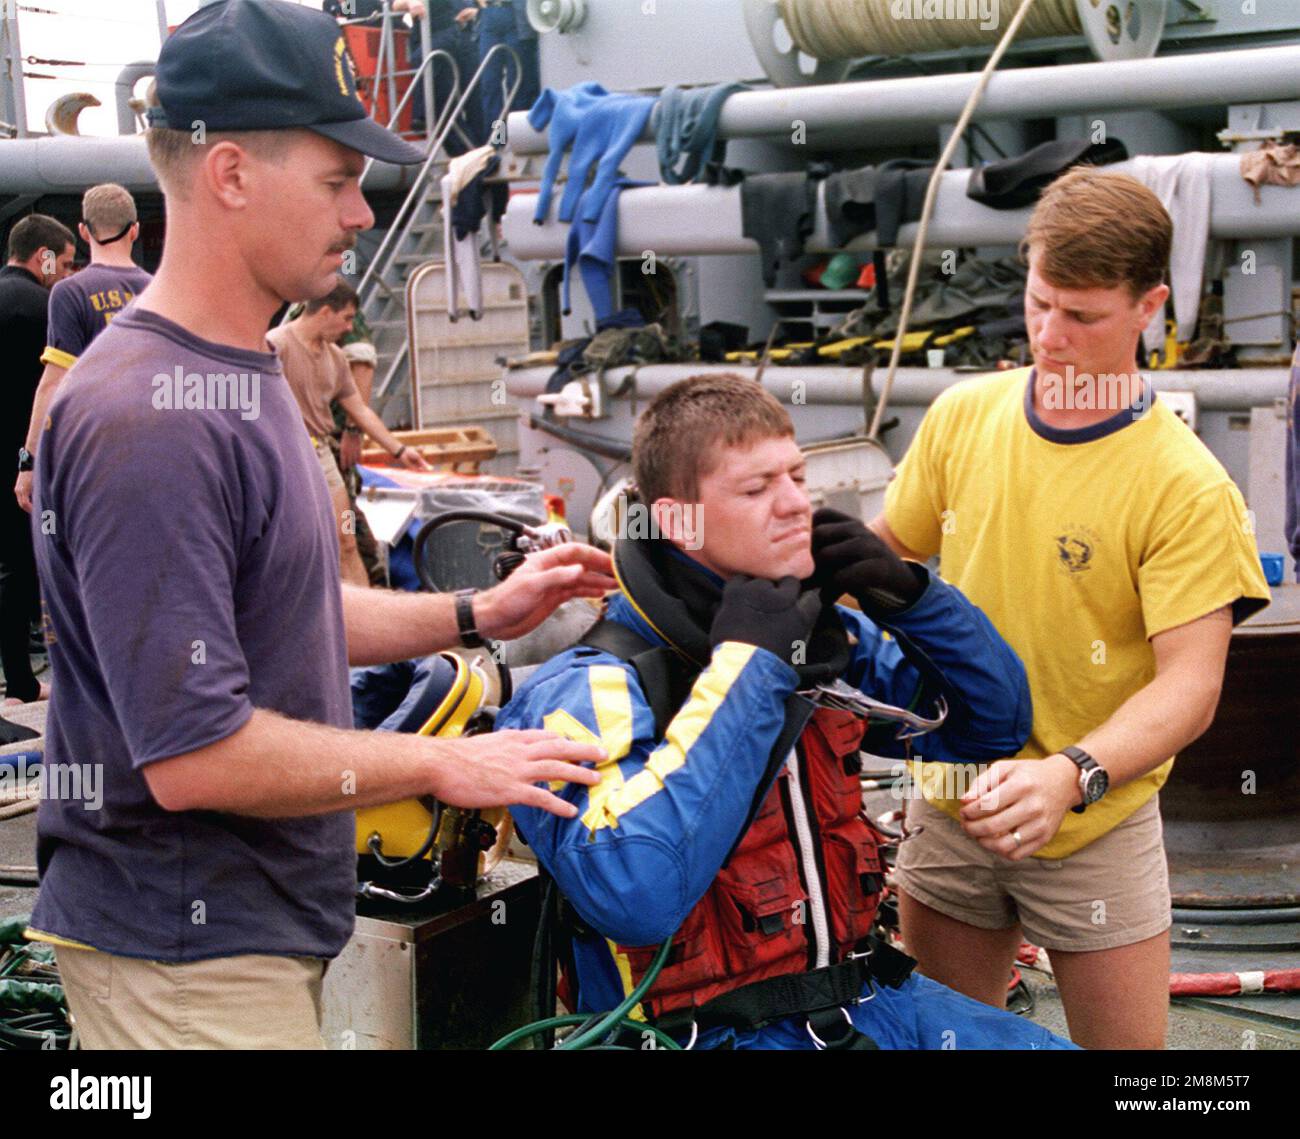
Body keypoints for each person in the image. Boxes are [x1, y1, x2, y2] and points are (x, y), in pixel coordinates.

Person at [27, 0, 614, 1051]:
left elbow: (282, 610)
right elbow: (196, 756)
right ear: (231, 174)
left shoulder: (235, 365)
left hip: (245, 936)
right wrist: (434, 764)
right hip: (187, 961)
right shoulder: (150, 417)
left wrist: (477, 611)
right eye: (337, 180)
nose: (360, 212)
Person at [497, 373, 1073, 1050]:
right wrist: (749, 668)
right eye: (757, 489)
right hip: (703, 1036)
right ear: (677, 520)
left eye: (797, 476)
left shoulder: (815, 641)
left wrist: (910, 596)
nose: (797, 503)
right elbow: (636, 893)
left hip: (866, 1004)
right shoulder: (582, 690)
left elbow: (993, 725)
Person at [871, 168, 1271, 1050]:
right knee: (942, 1042)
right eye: (1039, 302)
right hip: (951, 803)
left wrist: (1071, 773)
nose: (1050, 336)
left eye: (1082, 315)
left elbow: (1191, 686)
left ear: (1149, 306)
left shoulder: (1185, 486)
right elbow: (882, 556)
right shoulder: (962, 418)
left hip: (1097, 820)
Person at [268, 280, 428, 588]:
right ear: (326, 312)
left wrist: (399, 450)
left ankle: (365, 611)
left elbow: (360, 410)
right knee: (296, 545)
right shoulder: (277, 345)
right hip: (286, 456)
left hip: (321, 456)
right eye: (347, 318)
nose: (350, 327)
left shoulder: (335, 357)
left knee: (347, 539)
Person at [14, 183, 152, 515]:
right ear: (134, 231)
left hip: (91, 458)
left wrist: (28, 460)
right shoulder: (158, 290)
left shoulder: (69, 293)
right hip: (152, 452)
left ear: (83, 231)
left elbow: (53, 382)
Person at [1, 214, 75, 706]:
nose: (65, 275)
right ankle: (23, 682)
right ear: (42, 257)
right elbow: (53, 386)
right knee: (24, 568)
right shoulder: (45, 307)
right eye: (63, 264)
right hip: (25, 458)